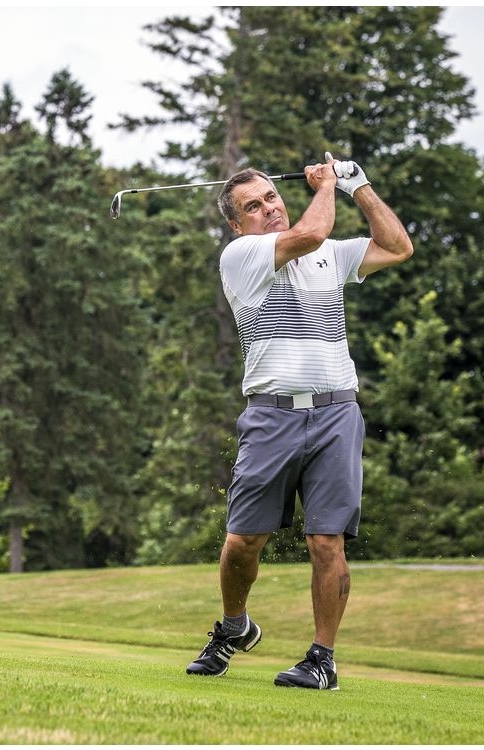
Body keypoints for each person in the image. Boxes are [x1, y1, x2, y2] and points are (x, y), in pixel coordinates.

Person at [185, 152, 413, 690]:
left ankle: (322, 659)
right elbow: (310, 233)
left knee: (327, 541)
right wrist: (328, 185)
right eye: (253, 206)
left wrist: (360, 187)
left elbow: (397, 246)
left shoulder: (331, 254)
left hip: (337, 412)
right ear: (236, 224)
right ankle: (234, 627)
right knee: (243, 541)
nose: (269, 208)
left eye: (271, 196)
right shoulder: (242, 256)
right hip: (271, 416)